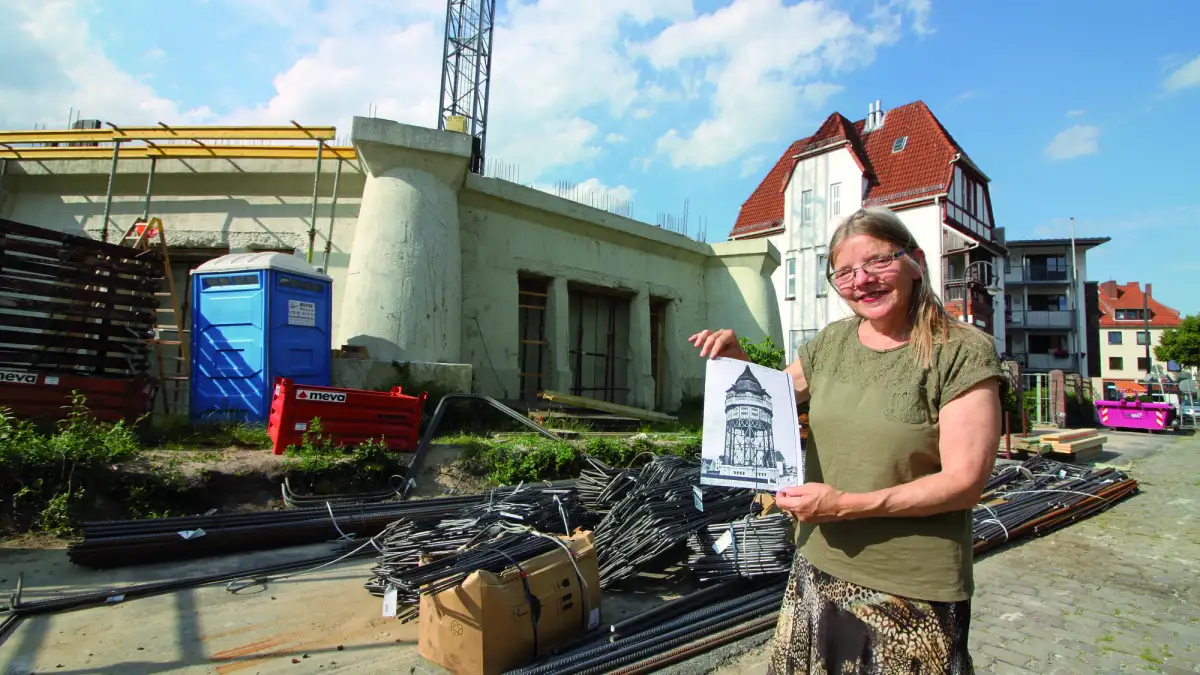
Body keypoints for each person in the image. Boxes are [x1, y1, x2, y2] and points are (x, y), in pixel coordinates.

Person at [689, 207, 1003, 674]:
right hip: (817, 563)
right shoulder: (830, 343)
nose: (863, 280)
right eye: (845, 272)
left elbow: (964, 483)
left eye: (878, 262)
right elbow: (775, 398)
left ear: (916, 260)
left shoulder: (960, 350)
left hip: (908, 588)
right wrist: (737, 364)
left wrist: (844, 505)